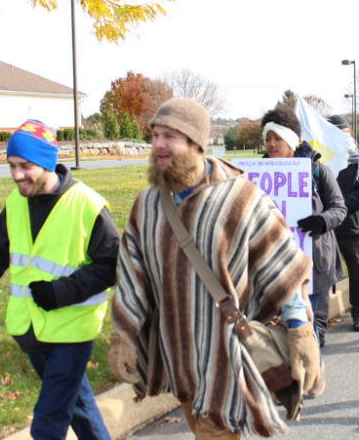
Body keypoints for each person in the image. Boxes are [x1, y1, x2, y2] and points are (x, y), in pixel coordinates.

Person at [110, 100, 320, 439]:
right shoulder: (147, 205)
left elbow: (280, 261)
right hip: (179, 356)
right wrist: (124, 336)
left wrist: (300, 331)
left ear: (196, 143)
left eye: (170, 136)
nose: (158, 144)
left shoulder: (239, 196)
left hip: (226, 355)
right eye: (155, 135)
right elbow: (133, 276)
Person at [0, 119, 119, 440]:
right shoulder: (15, 202)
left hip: (72, 331)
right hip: (30, 329)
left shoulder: (87, 205)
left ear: (46, 162)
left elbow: (112, 264)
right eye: (12, 166)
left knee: (47, 425)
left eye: (25, 166)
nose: (17, 175)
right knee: (79, 410)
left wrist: (60, 293)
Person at [256, 106, 346, 399]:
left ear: (292, 140)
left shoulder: (318, 169)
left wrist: (321, 221)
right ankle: (281, 373)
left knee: (306, 319)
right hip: (271, 263)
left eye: (277, 139)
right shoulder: (257, 174)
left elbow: (339, 208)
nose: (271, 145)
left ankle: (313, 371)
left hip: (311, 260)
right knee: (271, 320)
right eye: (267, 139)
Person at [327, 115, 359, 332]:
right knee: (325, 271)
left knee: (356, 273)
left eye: (345, 133)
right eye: (338, 133)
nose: (343, 137)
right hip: (327, 226)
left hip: (352, 226)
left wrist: (340, 206)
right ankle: (324, 313)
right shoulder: (322, 159)